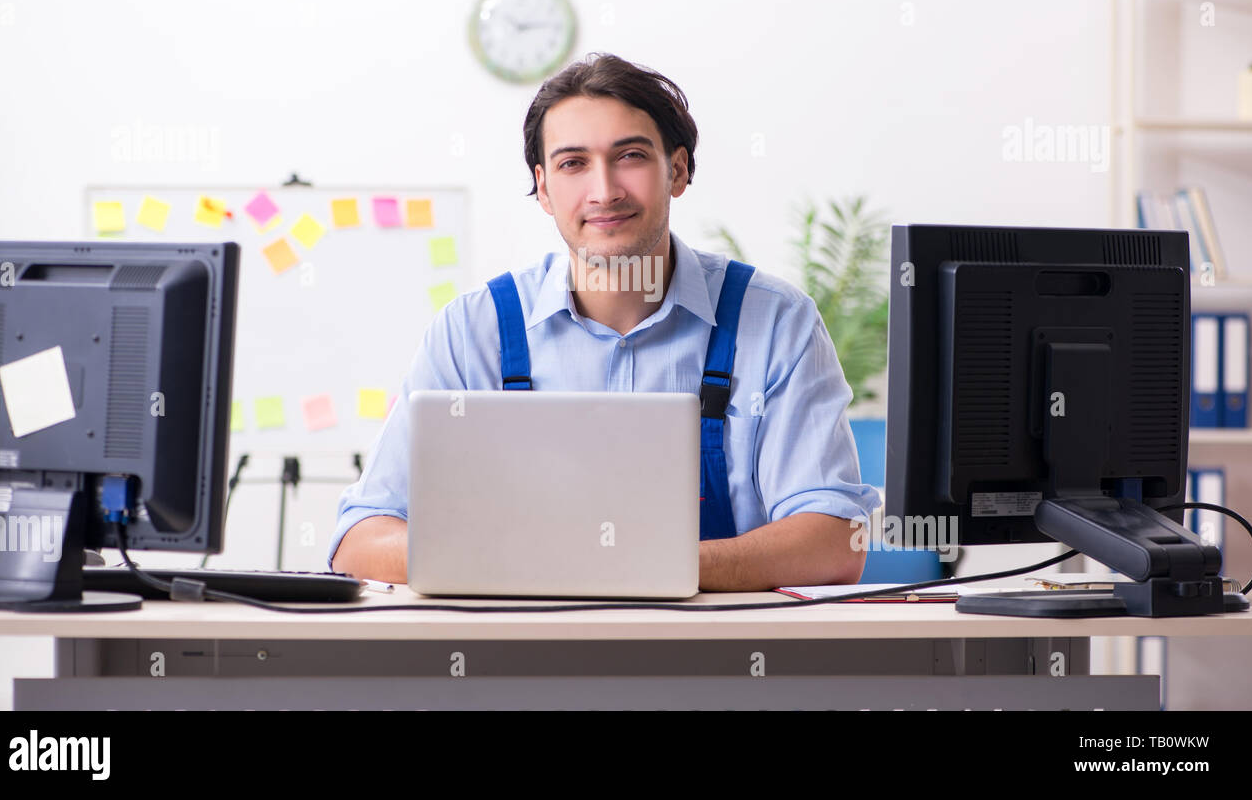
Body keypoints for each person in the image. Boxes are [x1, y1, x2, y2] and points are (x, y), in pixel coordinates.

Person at [329, 53, 880, 591]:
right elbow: (361, 540)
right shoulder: (474, 332)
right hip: (514, 667)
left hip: (721, 667)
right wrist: (536, 563)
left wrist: (622, 566)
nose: (604, 190)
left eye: (631, 156)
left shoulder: (777, 322)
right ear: (543, 188)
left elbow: (835, 540)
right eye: (573, 164)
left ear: (679, 170)